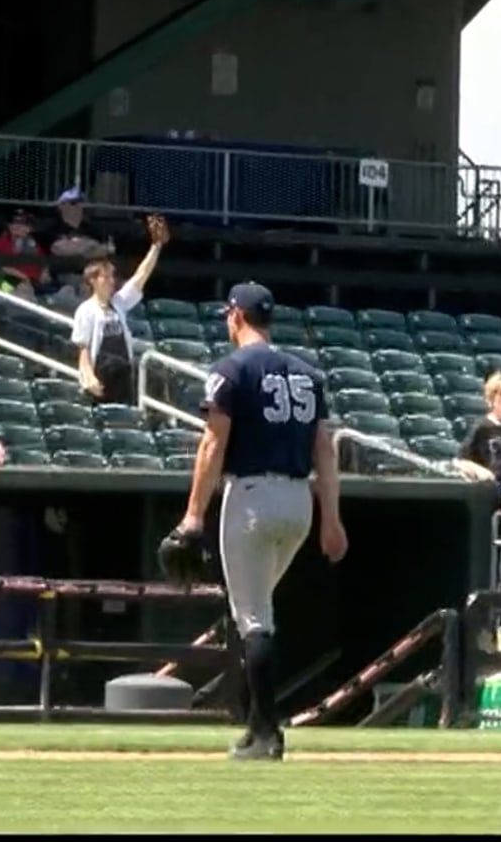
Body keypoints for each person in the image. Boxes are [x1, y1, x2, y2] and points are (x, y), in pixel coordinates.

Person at [171, 281, 349, 761]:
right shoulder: (308, 374)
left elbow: (213, 444)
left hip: (251, 495)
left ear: (235, 317)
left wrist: (192, 517)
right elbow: (324, 452)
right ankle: (255, 727)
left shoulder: (231, 369)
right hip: (299, 503)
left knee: (254, 620)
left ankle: (267, 732)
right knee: (255, 614)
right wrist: (331, 519)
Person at [70, 215, 168, 405]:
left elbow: (141, 276)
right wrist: (89, 377)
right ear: (93, 280)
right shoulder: (86, 310)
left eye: (111, 277)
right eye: (105, 277)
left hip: (123, 372)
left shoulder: (118, 303)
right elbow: (83, 348)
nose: (111, 281)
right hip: (101, 372)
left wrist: (156, 247)